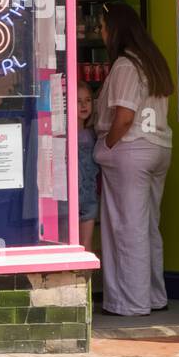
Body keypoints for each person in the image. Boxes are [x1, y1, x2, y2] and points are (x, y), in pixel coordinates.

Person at [93, 3, 173, 317]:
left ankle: (130, 302)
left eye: (102, 26)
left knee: (128, 228)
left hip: (131, 149)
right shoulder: (152, 62)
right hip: (158, 148)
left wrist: (109, 145)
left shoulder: (125, 65)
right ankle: (154, 295)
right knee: (148, 226)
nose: (100, 32)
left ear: (116, 30)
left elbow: (124, 116)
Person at [76, 81, 100, 249]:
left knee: (86, 244)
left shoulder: (93, 132)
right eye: (78, 101)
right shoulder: (66, 134)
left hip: (89, 197)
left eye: (88, 100)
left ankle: (86, 276)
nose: (84, 105)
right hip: (71, 199)